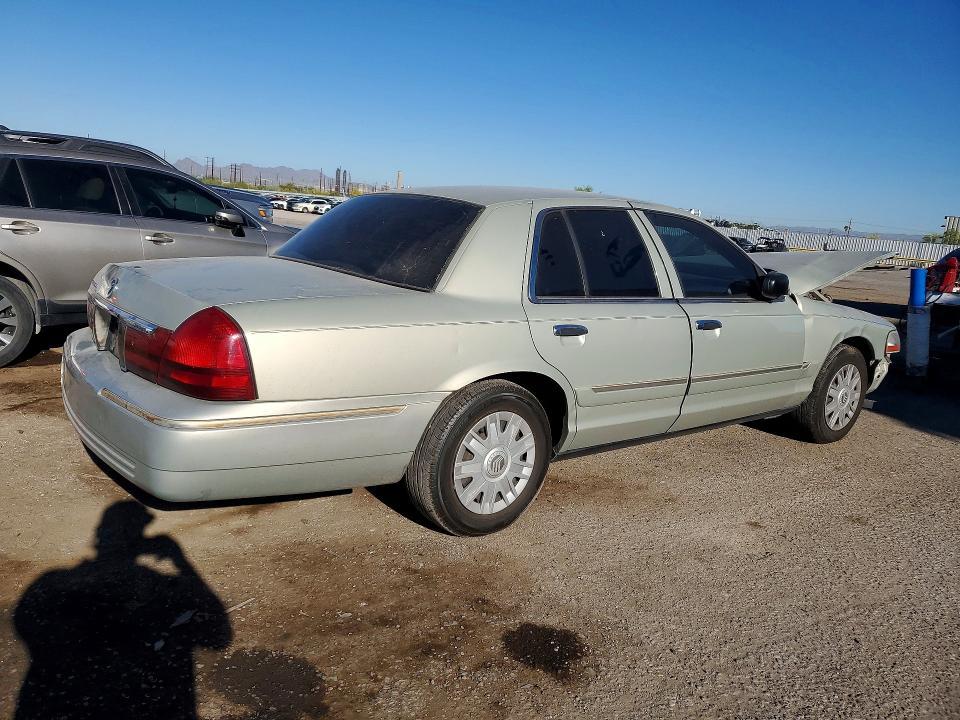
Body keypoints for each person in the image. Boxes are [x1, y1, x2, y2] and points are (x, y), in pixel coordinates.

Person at [14, 501, 231, 720]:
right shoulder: (160, 588)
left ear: (99, 536)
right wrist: (181, 562)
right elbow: (219, 636)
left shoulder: (56, 583)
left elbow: (28, 626)